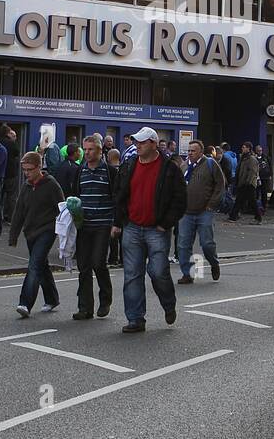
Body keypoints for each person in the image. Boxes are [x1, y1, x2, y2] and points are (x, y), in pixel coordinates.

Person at [112, 126, 184, 333]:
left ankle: (168, 304)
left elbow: (179, 200)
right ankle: (135, 319)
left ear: (154, 143)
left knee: (158, 272)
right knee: (132, 274)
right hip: (133, 227)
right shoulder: (129, 165)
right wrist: (118, 222)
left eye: (142, 142)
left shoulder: (169, 168)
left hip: (157, 229)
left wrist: (165, 223)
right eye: (136, 142)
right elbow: (120, 195)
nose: (138, 145)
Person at [9, 151, 64, 317]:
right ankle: (52, 298)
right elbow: (19, 212)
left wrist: (64, 232)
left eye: (30, 169)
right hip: (30, 231)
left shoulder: (51, 184)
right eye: (24, 170)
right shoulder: (26, 186)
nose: (27, 173)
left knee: (34, 265)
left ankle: (25, 303)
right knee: (42, 266)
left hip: (47, 230)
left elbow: (62, 208)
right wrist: (13, 235)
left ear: (39, 167)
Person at [68, 136, 117, 319]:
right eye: (85, 150)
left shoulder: (110, 172)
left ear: (99, 151)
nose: (87, 153)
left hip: (103, 224)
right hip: (84, 225)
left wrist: (116, 223)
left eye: (90, 150)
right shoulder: (80, 171)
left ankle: (105, 300)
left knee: (98, 263)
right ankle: (85, 308)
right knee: (84, 266)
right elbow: (75, 196)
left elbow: (117, 198)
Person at [177, 139, 224, 284]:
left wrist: (212, 204)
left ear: (201, 152)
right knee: (183, 244)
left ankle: (214, 263)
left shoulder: (210, 164)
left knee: (207, 243)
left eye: (193, 151)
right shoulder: (184, 166)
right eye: (189, 150)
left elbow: (220, 184)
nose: (190, 153)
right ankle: (188, 273)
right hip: (186, 212)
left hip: (205, 211)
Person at [234, 142, 259, 223]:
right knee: (239, 200)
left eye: (244, 147)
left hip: (248, 184)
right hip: (242, 182)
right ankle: (233, 216)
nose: (242, 148)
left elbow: (252, 172)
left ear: (248, 148)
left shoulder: (252, 159)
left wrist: (248, 182)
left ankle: (258, 217)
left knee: (252, 201)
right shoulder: (243, 158)